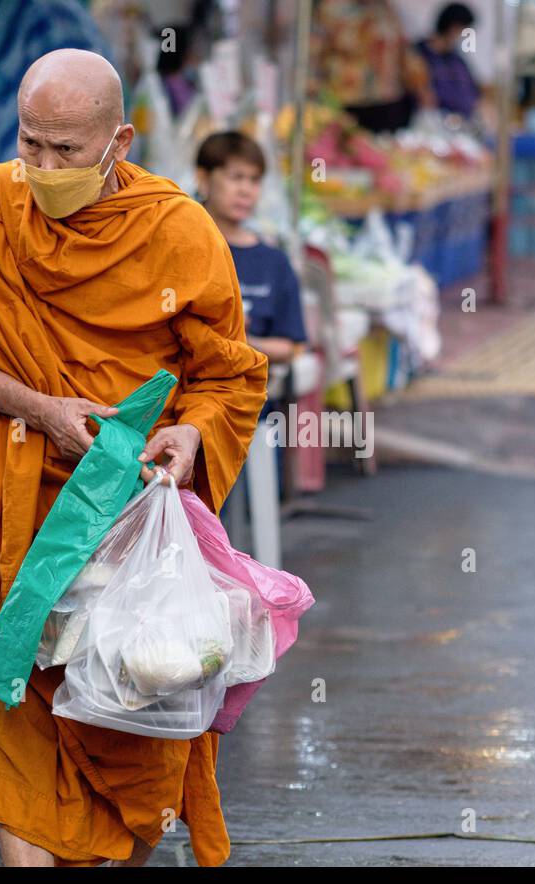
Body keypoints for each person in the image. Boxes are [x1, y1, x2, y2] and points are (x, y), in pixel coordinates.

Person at [0, 49, 267, 866]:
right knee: (18, 711)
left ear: (120, 140)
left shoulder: (178, 232)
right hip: (23, 509)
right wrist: (42, 411)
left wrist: (194, 433)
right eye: (32, 144)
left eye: (67, 149)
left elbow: (228, 376)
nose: (45, 168)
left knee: (130, 725)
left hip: (127, 527)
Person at [195, 130, 307, 566]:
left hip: (241, 402)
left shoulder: (272, 263)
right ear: (204, 178)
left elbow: (291, 344)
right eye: (235, 177)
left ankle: (230, 566)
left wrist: (238, 344)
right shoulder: (185, 242)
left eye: (254, 180)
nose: (246, 190)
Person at [310, 0, 425, 133]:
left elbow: (403, 47)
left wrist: (420, 84)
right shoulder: (332, 8)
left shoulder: (386, 9)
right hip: (347, 102)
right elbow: (314, 51)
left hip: (387, 100)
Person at [413, 3, 482, 119]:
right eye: (464, 31)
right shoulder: (417, 55)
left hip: (463, 123)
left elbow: (473, 92)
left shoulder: (456, 59)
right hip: (433, 122)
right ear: (453, 27)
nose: (463, 37)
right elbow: (427, 97)